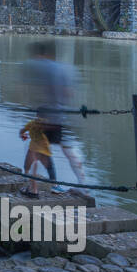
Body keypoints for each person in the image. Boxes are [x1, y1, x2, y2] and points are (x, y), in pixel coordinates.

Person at [24, 41, 87, 186]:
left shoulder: (47, 70)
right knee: (66, 151)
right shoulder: (63, 68)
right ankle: (80, 186)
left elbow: (38, 94)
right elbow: (69, 93)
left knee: (37, 150)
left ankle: (36, 186)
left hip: (53, 117)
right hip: (63, 117)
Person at [18, 111, 55, 197]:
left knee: (29, 168)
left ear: (37, 115)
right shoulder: (48, 124)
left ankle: (32, 190)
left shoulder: (32, 123)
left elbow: (21, 131)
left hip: (33, 149)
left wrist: (23, 135)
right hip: (45, 151)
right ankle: (54, 186)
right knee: (49, 169)